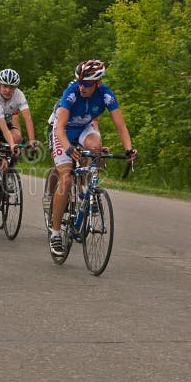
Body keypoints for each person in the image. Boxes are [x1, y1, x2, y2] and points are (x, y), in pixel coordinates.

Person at [47, 60, 137, 257]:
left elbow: (121, 126)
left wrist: (129, 150)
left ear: (97, 83)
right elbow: (60, 128)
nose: (82, 87)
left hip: (84, 128)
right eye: (80, 82)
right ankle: (55, 233)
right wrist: (69, 148)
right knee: (66, 178)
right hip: (62, 131)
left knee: (97, 150)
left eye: (86, 84)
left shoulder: (106, 95)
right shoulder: (71, 93)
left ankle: (86, 192)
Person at [0, 69, 40, 152]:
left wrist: (32, 140)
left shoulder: (19, 94)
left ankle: (12, 162)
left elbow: (27, 118)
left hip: (6, 123)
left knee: (17, 138)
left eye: (11, 87)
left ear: (15, 87)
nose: (8, 90)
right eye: (5, 86)